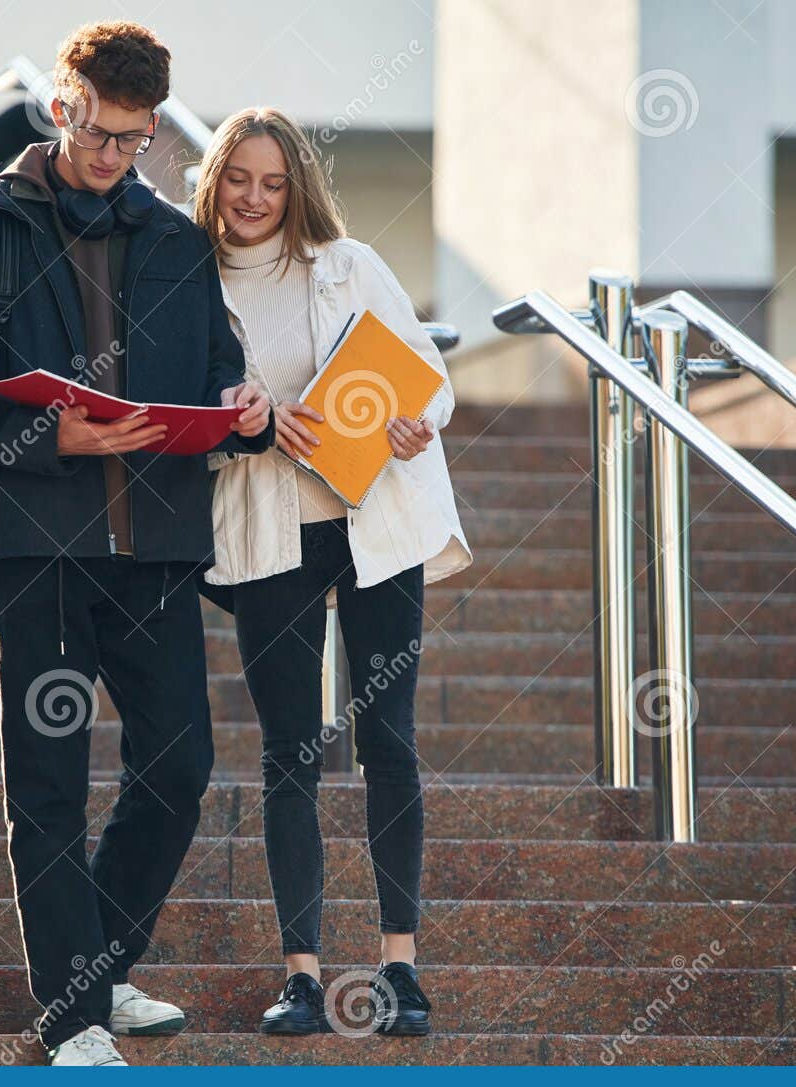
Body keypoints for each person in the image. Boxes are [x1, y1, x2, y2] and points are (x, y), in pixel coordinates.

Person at [0, 23, 272, 1066]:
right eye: (92, 126)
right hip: (33, 547)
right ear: (59, 103)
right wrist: (46, 435)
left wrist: (239, 406)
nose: (106, 152)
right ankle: (70, 1019)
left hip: (154, 548)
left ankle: (98, 970)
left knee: (180, 766)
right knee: (49, 784)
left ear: (153, 128)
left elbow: (216, 364)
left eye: (129, 137)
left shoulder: (173, 241)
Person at [194, 107, 471, 1036]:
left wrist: (413, 421)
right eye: (240, 180)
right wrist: (241, 416)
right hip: (267, 533)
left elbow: (427, 376)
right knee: (290, 752)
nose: (255, 200)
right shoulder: (184, 281)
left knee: (388, 737)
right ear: (216, 176)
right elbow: (177, 418)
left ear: (297, 186)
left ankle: (400, 969)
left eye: (274, 184)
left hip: (372, 523)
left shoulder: (349, 265)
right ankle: (302, 975)